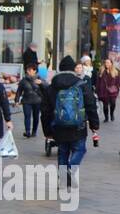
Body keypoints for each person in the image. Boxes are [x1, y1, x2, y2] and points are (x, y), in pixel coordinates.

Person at [42, 56, 100, 189]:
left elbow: (45, 110)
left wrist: (47, 131)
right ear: (74, 68)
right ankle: (70, 169)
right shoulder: (81, 84)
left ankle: (63, 179)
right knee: (80, 149)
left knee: (63, 151)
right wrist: (94, 124)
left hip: (58, 125)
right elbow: (91, 104)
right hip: (78, 125)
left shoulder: (52, 86)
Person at [15, 65, 44, 138]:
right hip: (26, 101)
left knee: (36, 117)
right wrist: (16, 100)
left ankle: (34, 131)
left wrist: (42, 83)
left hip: (37, 101)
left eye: (30, 70)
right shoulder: (23, 80)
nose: (28, 71)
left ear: (35, 71)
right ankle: (27, 131)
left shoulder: (39, 79)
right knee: (27, 116)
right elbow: (19, 91)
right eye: (27, 70)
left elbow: (45, 88)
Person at [96, 60, 120, 124]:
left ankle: (112, 113)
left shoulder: (116, 71)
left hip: (113, 91)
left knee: (113, 103)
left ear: (111, 63)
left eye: (108, 62)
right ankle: (106, 117)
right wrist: (97, 90)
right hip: (104, 90)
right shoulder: (101, 71)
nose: (106, 64)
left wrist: (119, 87)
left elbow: (119, 80)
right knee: (105, 105)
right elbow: (98, 81)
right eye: (105, 62)